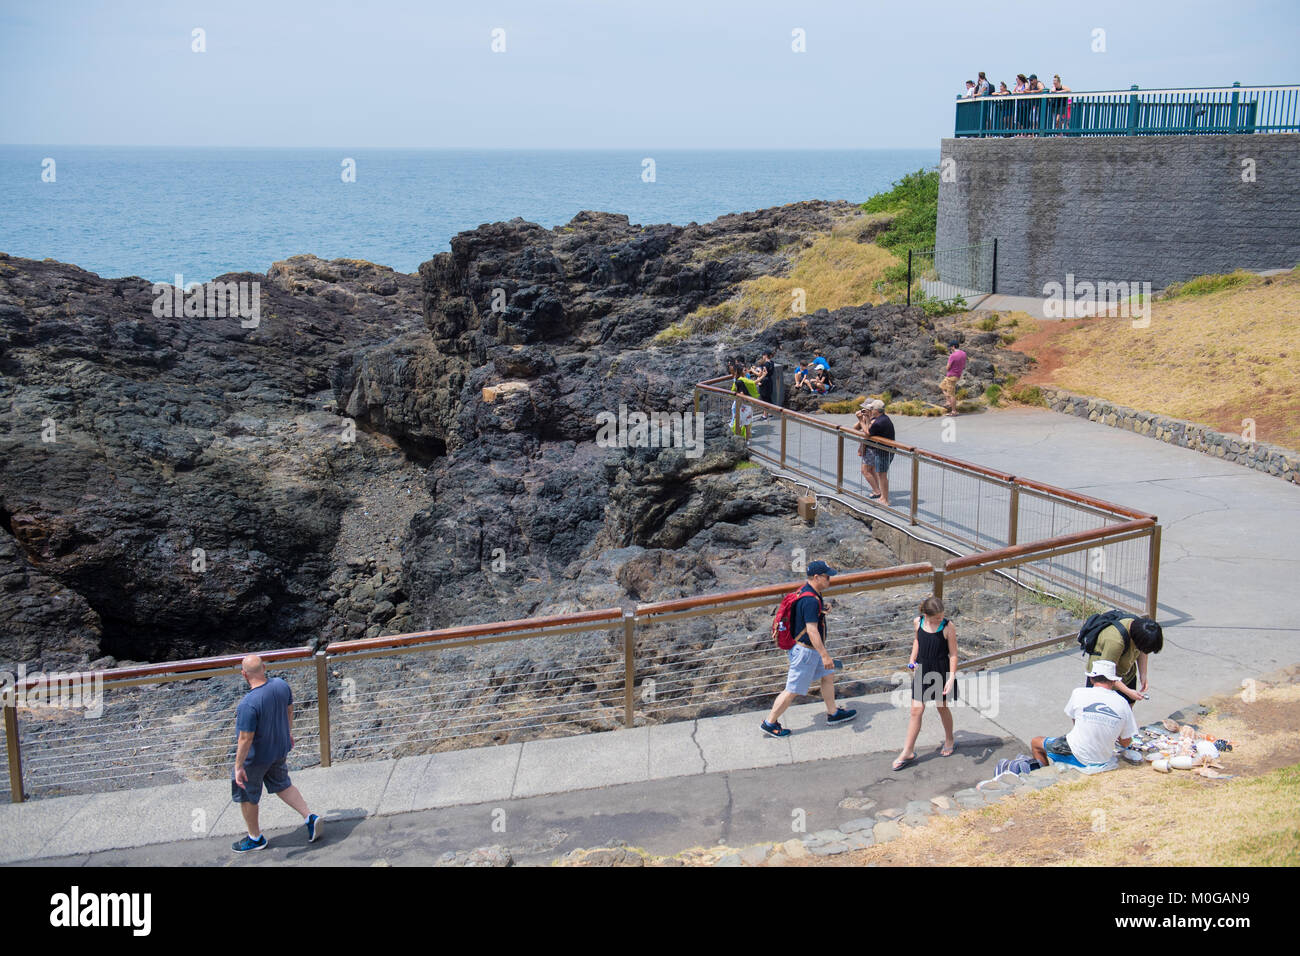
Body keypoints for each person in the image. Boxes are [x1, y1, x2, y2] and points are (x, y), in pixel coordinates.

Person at [230, 655, 321, 852]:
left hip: (256, 759)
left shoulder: (248, 704)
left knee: (246, 794)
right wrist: (288, 733)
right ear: (264, 667)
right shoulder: (281, 685)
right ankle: (309, 817)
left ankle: (255, 838)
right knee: (282, 784)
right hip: (279, 749)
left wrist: (238, 767)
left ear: (244, 674)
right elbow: (290, 711)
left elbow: (245, 739)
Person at [761, 561, 857, 737]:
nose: (830, 579)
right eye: (827, 577)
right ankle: (770, 722)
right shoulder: (810, 601)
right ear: (817, 577)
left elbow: (804, 617)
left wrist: (822, 608)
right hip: (806, 653)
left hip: (806, 650)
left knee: (828, 676)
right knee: (792, 690)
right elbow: (812, 630)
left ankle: (833, 713)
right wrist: (825, 655)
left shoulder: (809, 593)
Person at [1030, 660, 1138, 774]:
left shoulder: (1079, 693)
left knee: (1036, 742)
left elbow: (1075, 721)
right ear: (1113, 681)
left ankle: (1043, 774)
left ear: (1091, 679)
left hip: (1078, 755)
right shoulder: (1123, 703)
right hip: (1103, 759)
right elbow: (1126, 742)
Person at [893, 596, 959, 770]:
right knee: (916, 710)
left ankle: (950, 738)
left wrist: (951, 677)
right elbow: (917, 641)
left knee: (941, 707)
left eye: (942, 615)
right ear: (926, 615)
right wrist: (912, 659)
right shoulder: (918, 622)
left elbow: (953, 654)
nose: (940, 619)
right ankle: (907, 751)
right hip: (922, 667)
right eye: (937, 617)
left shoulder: (948, 626)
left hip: (940, 669)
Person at [1085, 614, 1164, 708]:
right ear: (1137, 640)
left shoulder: (1139, 629)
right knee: (1102, 712)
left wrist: (1143, 675)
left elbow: (1143, 650)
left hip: (1126, 674)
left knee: (1126, 707)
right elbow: (1106, 674)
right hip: (1103, 679)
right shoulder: (1115, 641)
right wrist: (1128, 692)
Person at [852, 399, 894, 507]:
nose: (870, 410)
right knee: (880, 473)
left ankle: (885, 499)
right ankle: (882, 496)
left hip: (883, 451)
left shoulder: (879, 421)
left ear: (876, 410)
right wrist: (864, 419)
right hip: (882, 450)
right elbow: (859, 429)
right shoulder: (882, 419)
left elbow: (867, 433)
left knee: (882, 474)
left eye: (871, 409)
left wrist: (861, 419)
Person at [729, 359, 759, 438]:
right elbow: (752, 383)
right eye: (744, 369)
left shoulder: (738, 380)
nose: (746, 370)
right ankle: (746, 439)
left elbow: (736, 391)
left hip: (741, 405)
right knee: (746, 424)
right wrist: (762, 375)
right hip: (745, 405)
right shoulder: (742, 380)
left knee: (739, 423)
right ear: (741, 371)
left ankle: (739, 439)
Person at [941, 339, 967, 416]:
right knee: (942, 386)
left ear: (953, 346)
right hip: (957, 375)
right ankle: (948, 402)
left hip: (951, 376)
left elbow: (947, 367)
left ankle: (954, 411)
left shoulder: (952, 355)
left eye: (950, 347)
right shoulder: (963, 353)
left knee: (952, 394)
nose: (950, 348)